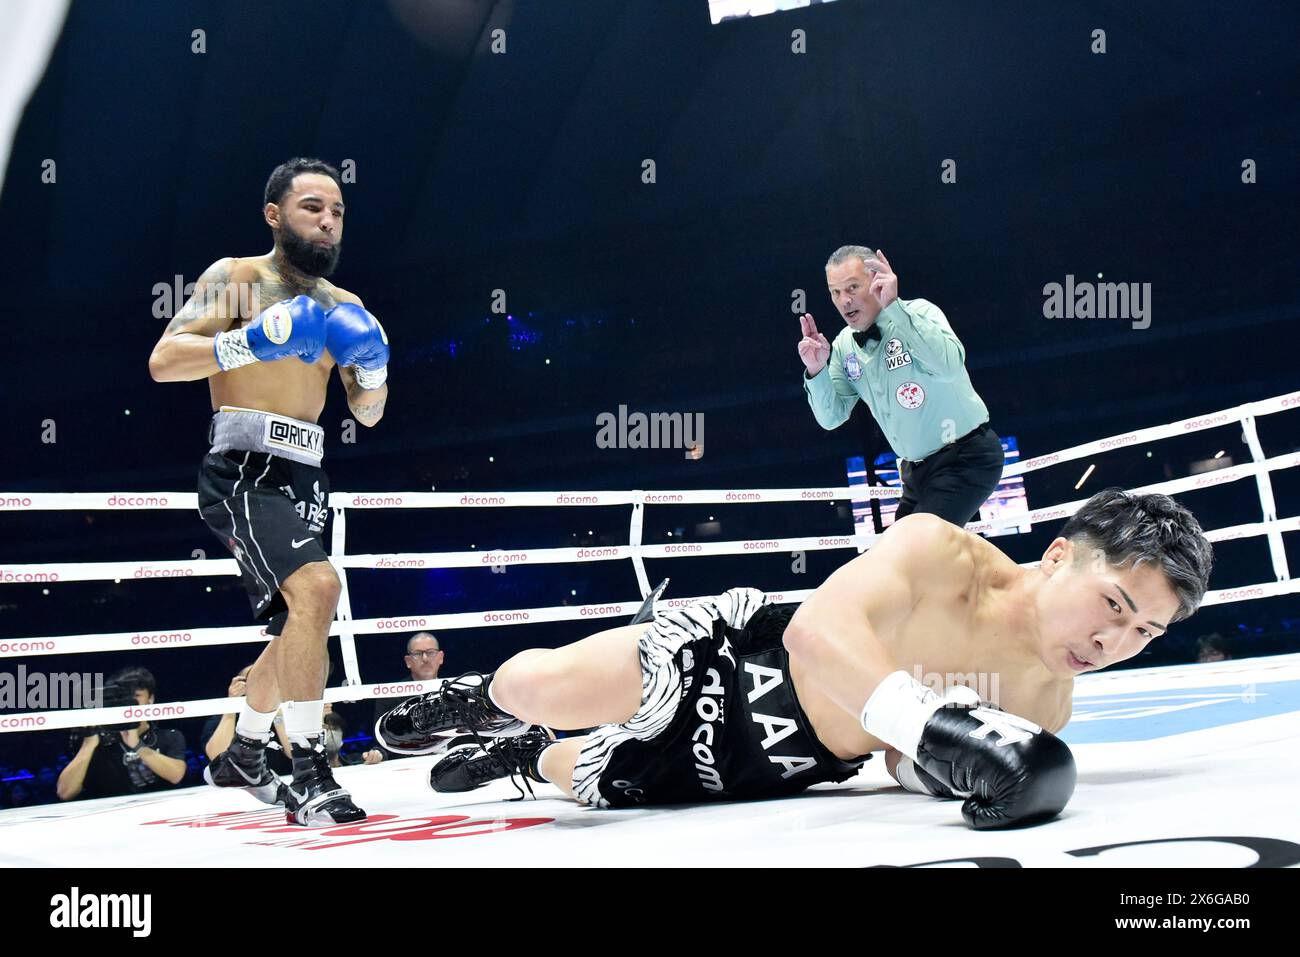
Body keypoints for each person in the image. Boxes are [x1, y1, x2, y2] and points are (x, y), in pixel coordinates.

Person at [379, 489, 1212, 829]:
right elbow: (819, 629)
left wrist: (943, 766)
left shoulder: (1051, 702)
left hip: (780, 760)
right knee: (541, 683)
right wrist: (940, 722)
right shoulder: (939, 553)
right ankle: (483, 698)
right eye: (1115, 606)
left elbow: (898, 757)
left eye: (1145, 633)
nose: (1113, 644)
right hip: (739, 659)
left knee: (582, 778)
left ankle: (520, 751)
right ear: (1062, 555)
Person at [148, 157, 390, 826]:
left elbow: (368, 413)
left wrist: (372, 369)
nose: (328, 221)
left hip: (307, 472)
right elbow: (164, 361)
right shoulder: (237, 279)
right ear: (274, 214)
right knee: (319, 588)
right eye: (313, 206)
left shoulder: (349, 308)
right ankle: (311, 765)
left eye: (338, 211)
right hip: (243, 465)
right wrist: (246, 343)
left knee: (296, 627)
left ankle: (245, 749)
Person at [798, 246, 1003, 527]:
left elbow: (947, 368)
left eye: (852, 287)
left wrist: (894, 307)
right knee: (894, 558)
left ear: (877, 278)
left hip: (965, 457)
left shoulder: (920, 311)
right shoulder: (844, 345)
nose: (844, 301)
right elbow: (831, 418)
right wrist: (817, 369)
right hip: (913, 474)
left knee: (917, 553)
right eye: (835, 292)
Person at [56, 668, 188, 801]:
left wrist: (138, 745)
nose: (128, 703)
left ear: (150, 698)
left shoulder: (169, 736)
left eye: (136, 696)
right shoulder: (97, 741)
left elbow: (176, 775)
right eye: (122, 697)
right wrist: (88, 745)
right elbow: (65, 792)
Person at [363, 633, 446, 764]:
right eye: (418, 654)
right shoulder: (390, 696)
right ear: (408, 661)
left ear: (440, 657)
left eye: (431, 652)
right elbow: (382, 742)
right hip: (409, 766)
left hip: (453, 762)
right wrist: (378, 754)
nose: (425, 658)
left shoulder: (458, 691)